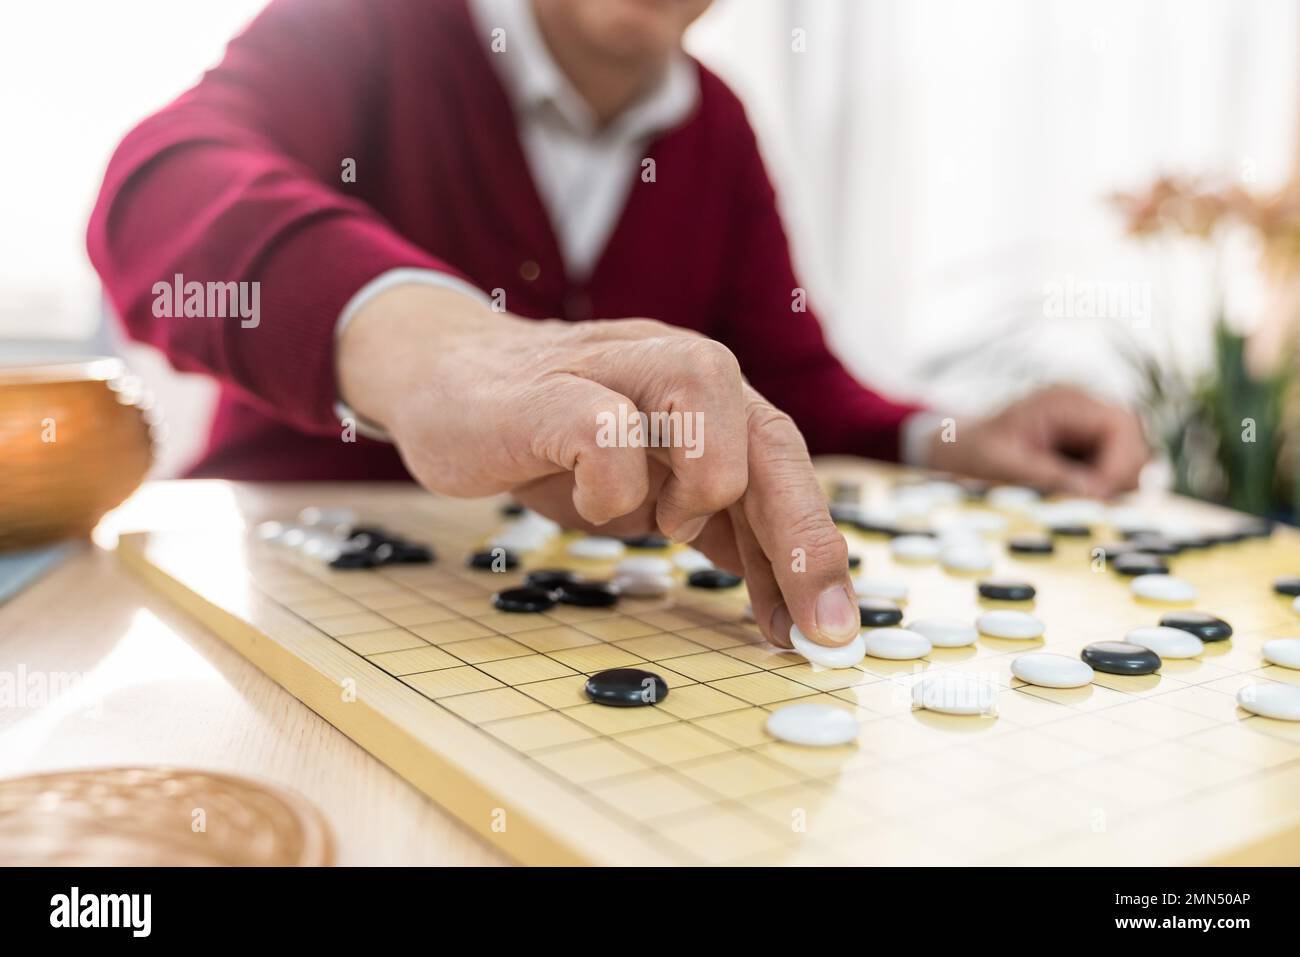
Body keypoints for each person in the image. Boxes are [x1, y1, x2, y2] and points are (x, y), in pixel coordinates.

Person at [87, 0, 1147, 653]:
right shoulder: (373, 22)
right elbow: (157, 188)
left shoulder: (718, 127)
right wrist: (450, 352)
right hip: (279, 604)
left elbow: (790, 382)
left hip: (567, 633)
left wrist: (956, 436)